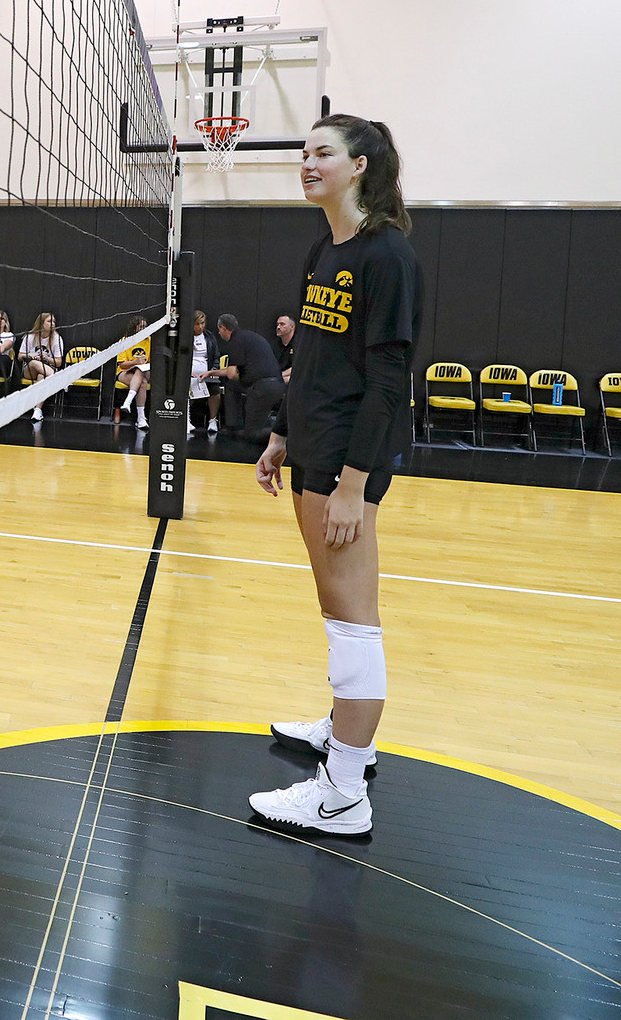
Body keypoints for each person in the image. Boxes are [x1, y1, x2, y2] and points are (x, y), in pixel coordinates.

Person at [247, 114, 422, 838]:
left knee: (354, 624)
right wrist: (282, 433)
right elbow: (312, 361)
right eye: (305, 152)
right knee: (333, 605)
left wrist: (354, 483)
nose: (307, 163)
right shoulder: (325, 249)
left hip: (350, 459)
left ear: (360, 167)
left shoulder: (387, 257)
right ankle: (345, 733)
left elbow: (389, 381)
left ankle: (344, 791)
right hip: (314, 449)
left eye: (323, 153)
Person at [199, 314, 285, 443]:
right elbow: (232, 373)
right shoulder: (250, 337)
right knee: (232, 386)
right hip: (277, 385)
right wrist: (211, 373)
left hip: (262, 388)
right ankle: (234, 426)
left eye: (219, 330)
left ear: (223, 328)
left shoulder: (235, 341)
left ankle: (283, 433)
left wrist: (244, 377)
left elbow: (231, 374)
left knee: (252, 434)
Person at [19, 312, 63, 422]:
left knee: (41, 376)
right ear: (41, 323)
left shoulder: (56, 338)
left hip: (47, 370)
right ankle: (62, 380)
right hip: (29, 370)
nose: (52, 324)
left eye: (54, 322)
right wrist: (31, 355)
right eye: (49, 321)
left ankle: (37, 410)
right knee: (34, 363)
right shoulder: (30, 337)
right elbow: (19, 356)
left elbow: (58, 362)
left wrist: (47, 358)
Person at [188, 310, 222, 435]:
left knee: (215, 390)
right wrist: (189, 372)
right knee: (185, 387)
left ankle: (212, 420)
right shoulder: (184, 337)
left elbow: (216, 357)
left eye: (202, 323)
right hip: (189, 375)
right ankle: (187, 419)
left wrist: (213, 370)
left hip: (207, 375)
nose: (200, 327)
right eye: (197, 324)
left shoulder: (209, 337)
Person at [113, 315, 149, 430]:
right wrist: (135, 362)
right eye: (141, 327)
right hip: (125, 372)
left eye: (145, 327)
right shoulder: (125, 341)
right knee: (142, 383)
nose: (143, 329)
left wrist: (140, 364)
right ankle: (141, 418)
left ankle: (128, 402)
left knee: (141, 371)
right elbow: (122, 364)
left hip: (145, 370)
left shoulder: (150, 340)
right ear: (134, 328)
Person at [275, 313, 297, 381]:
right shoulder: (274, 345)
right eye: (277, 324)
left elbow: (299, 366)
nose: (278, 327)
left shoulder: (299, 345)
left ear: (292, 327)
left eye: (282, 324)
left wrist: (280, 376)